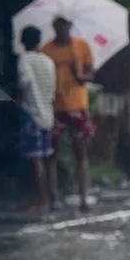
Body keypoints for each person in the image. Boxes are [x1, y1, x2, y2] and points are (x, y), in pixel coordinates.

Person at [41, 11, 96, 211]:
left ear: (70, 26)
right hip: (55, 106)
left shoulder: (81, 46)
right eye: (58, 25)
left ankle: (84, 197)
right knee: (51, 152)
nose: (62, 28)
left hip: (77, 105)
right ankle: (53, 196)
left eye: (65, 25)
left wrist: (79, 75)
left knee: (80, 151)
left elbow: (90, 74)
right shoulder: (46, 50)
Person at [17, 26, 59, 212]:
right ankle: (53, 197)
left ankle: (42, 199)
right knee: (48, 156)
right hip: (47, 114)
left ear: (23, 41)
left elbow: (24, 82)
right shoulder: (49, 61)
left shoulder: (24, 60)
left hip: (31, 113)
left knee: (35, 159)